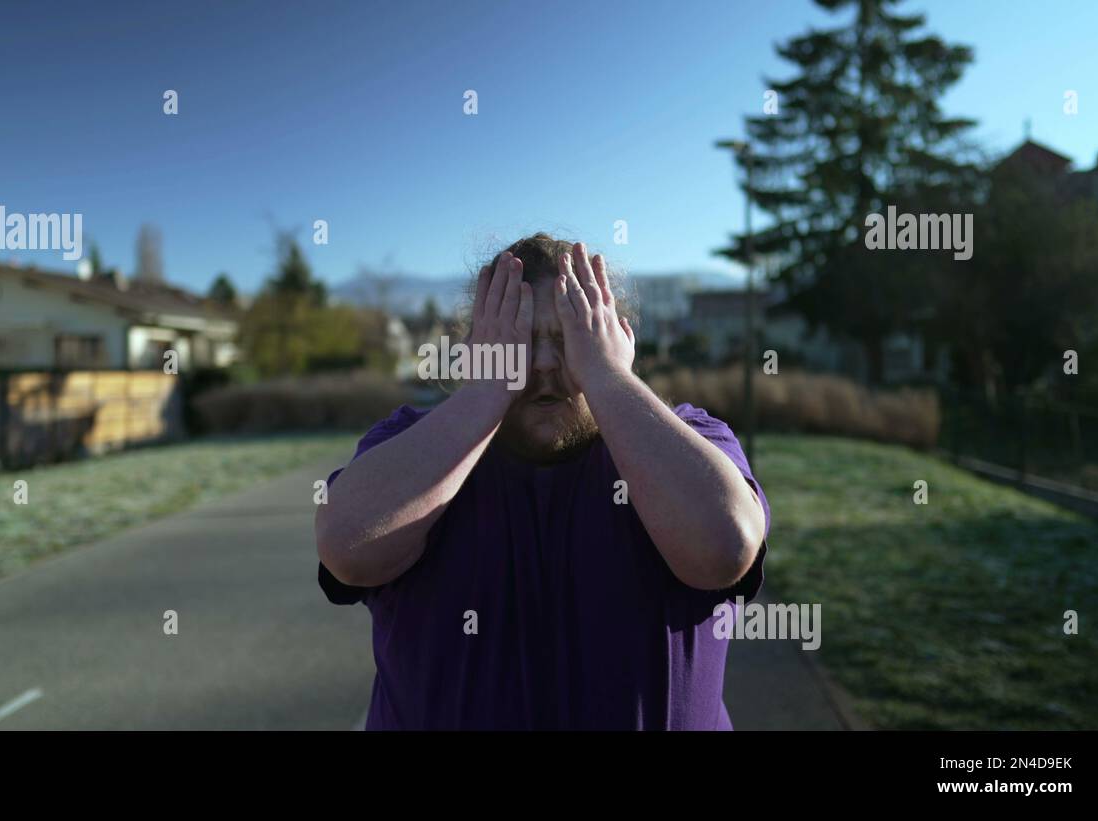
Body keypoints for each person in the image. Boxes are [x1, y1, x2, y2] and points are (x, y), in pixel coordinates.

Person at [315, 232, 770, 729]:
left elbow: (724, 546)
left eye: (571, 338)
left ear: (617, 341)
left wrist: (605, 376)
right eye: (520, 341)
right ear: (477, 349)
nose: (545, 363)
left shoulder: (691, 437)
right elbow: (347, 546)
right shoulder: (409, 440)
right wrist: (487, 390)